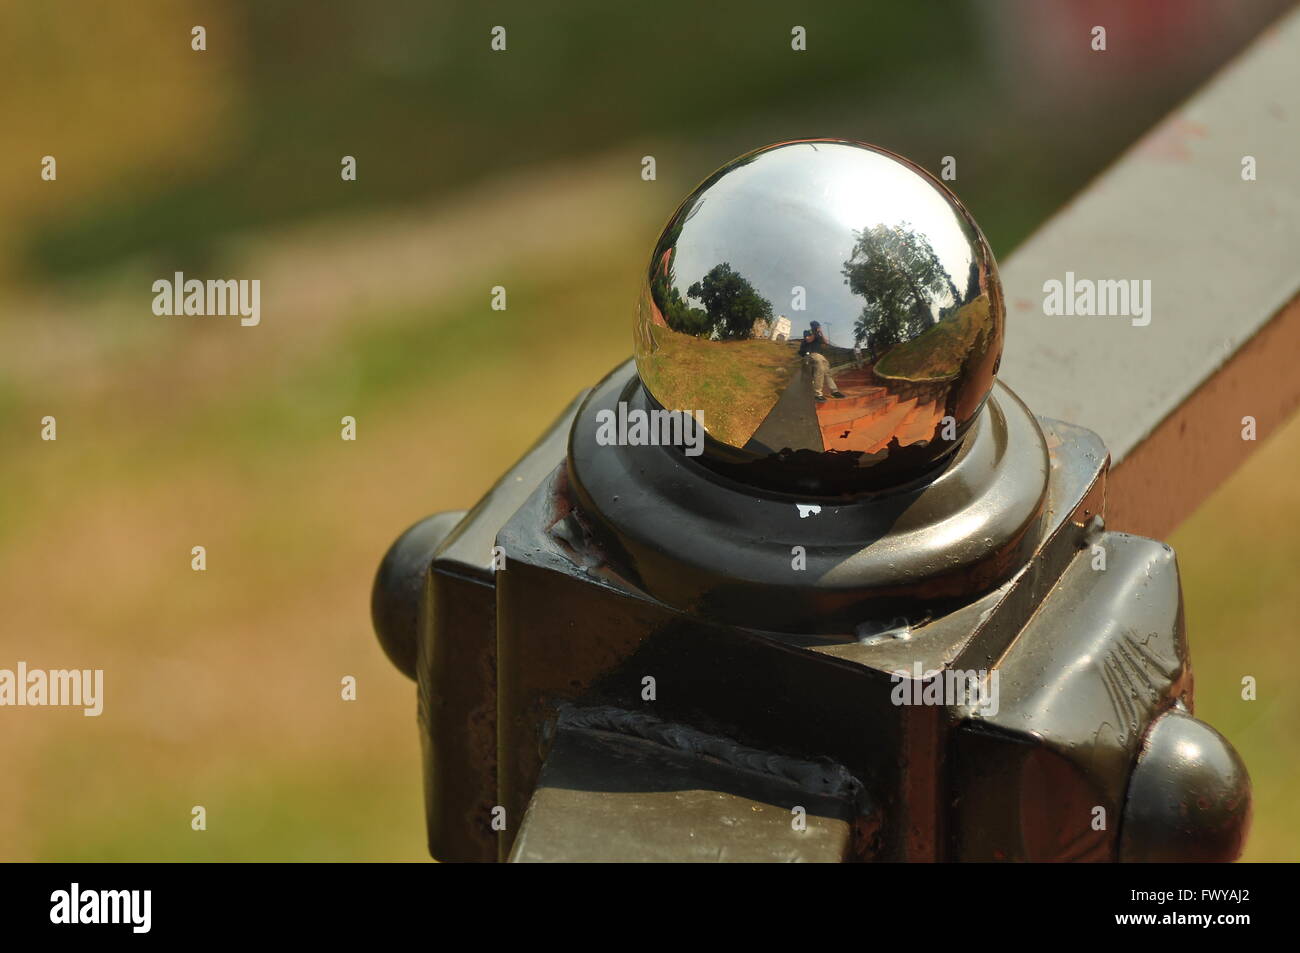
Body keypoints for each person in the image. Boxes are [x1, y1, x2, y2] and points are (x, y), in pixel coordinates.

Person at [799, 321, 845, 402]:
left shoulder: (819, 334)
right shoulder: (807, 332)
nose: (818, 327)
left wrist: (821, 333)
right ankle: (817, 394)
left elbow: (826, 342)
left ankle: (834, 391)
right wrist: (815, 333)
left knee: (828, 372)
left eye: (818, 326)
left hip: (820, 356)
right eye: (817, 326)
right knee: (819, 369)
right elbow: (808, 340)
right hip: (812, 354)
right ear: (813, 326)